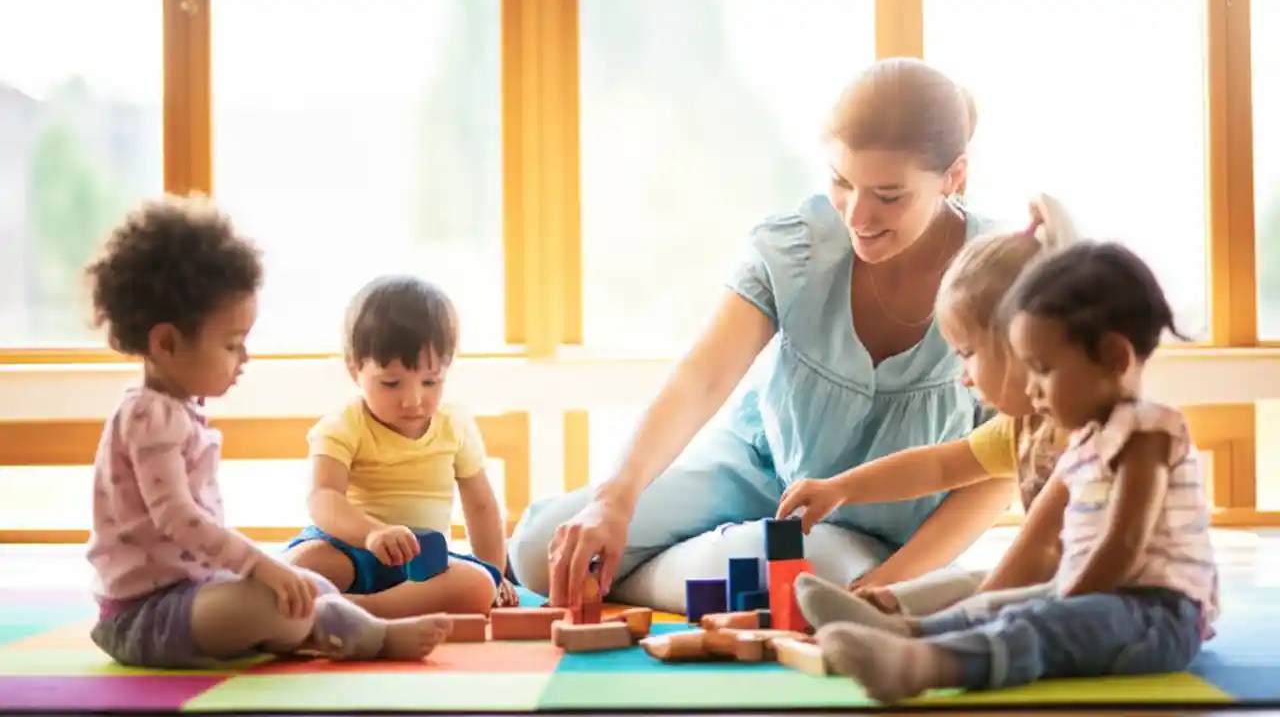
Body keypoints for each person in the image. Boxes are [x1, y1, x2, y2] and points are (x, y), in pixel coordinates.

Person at [509, 57, 1025, 614]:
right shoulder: (798, 246)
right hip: (758, 472)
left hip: (886, 533)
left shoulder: (1002, 275)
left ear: (954, 176)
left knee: (815, 578)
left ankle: (708, 574)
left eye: (889, 194)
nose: (858, 214)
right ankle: (714, 578)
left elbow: (998, 467)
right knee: (547, 549)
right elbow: (703, 378)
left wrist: (893, 580)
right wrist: (615, 500)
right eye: (841, 181)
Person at [816, 241, 1219, 703]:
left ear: (1113, 358)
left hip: (1159, 616)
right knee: (1000, 602)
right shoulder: (1083, 445)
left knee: (1032, 625)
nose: (1032, 389)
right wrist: (1040, 597)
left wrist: (1063, 601)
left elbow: (1124, 542)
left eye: (1042, 371)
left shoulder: (1149, 432)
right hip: (1096, 595)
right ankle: (905, 631)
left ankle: (924, 664)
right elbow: (1039, 543)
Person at [83, 196, 451, 669]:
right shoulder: (149, 416)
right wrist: (259, 565)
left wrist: (263, 572)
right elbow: (178, 518)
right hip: (143, 616)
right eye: (232, 344)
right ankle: (363, 636)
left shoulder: (175, 411)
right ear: (168, 342)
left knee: (308, 589)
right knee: (279, 602)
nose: (245, 358)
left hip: (191, 593)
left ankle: (362, 632)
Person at [781, 194, 1079, 624]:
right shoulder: (1023, 429)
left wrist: (972, 610)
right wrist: (841, 488)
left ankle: (916, 641)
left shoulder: (1086, 439)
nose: (965, 377)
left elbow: (1036, 550)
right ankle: (878, 610)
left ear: (1022, 345)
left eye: (968, 353)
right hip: (1058, 584)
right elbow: (939, 467)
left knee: (985, 601)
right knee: (958, 587)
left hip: (1116, 600)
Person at [283, 275, 518, 619]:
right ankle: (345, 606)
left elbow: (481, 505)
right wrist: (372, 533)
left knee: (477, 584)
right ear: (355, 371)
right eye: (391, 383)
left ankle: (361, 610)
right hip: (353, 550)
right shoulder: (344, 423)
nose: (413, 400)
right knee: (300, 564)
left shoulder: (455, 424)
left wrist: (495, 574)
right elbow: (323, 498)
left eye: (431, 381)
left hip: (424, 564)